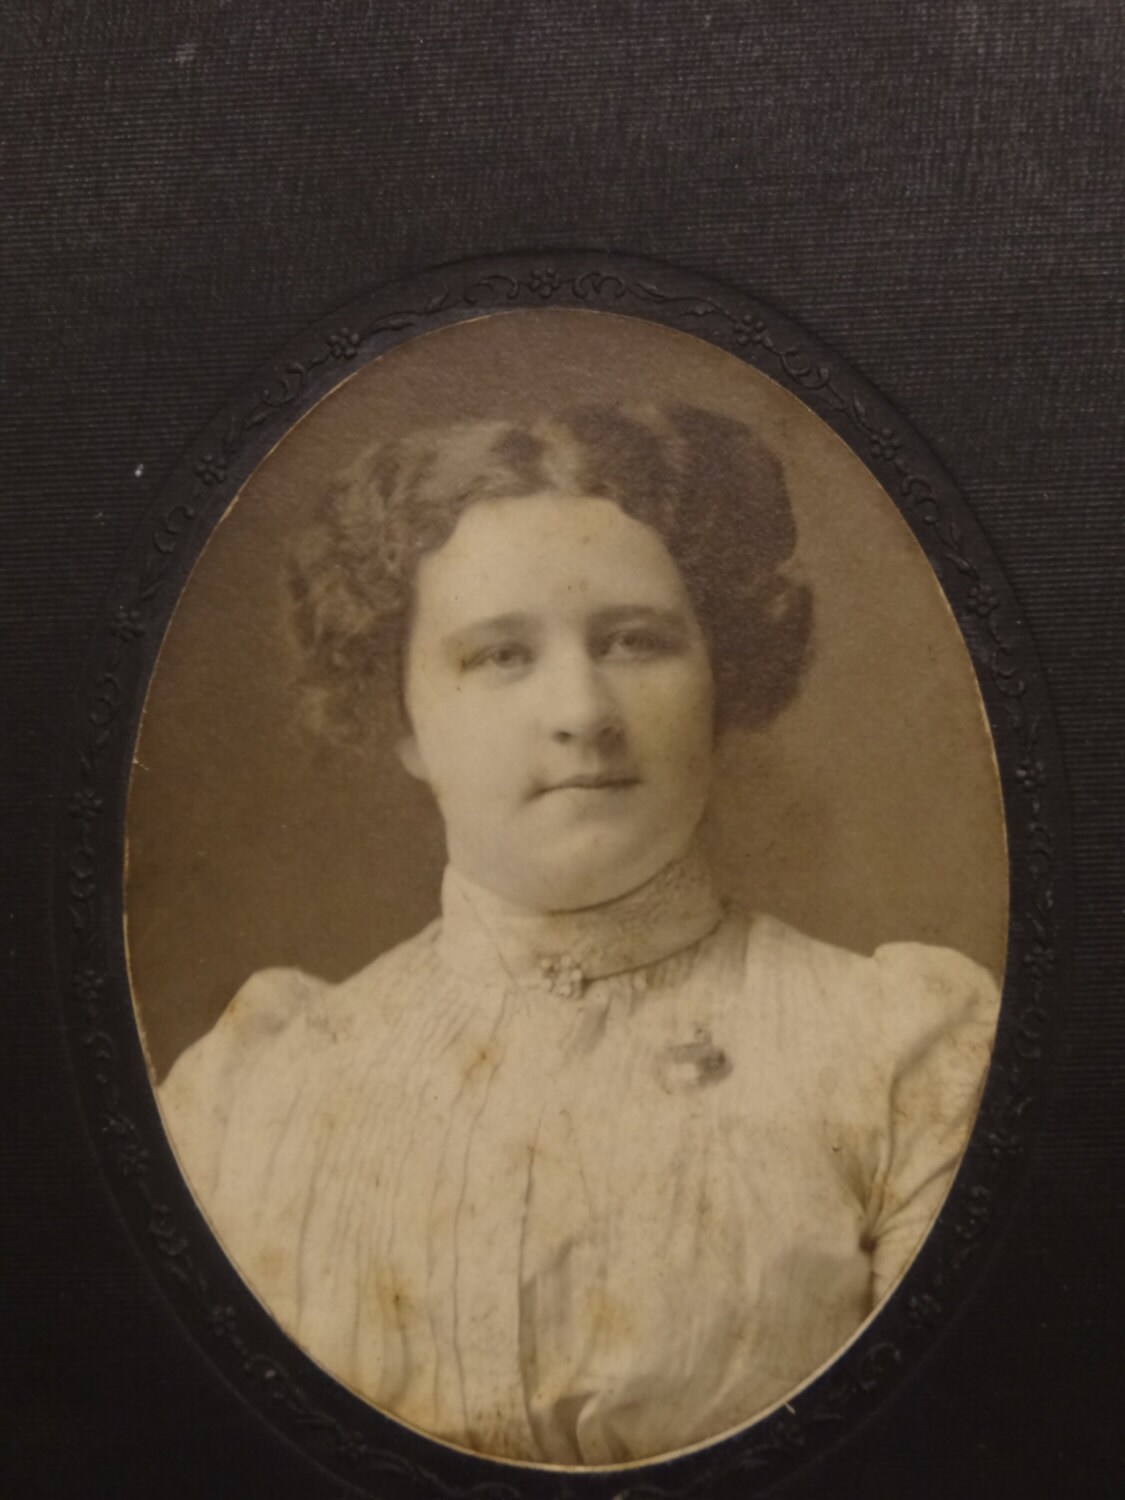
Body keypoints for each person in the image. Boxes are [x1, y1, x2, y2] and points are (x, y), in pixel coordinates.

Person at [159, 404, 999, 1466]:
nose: (582, 709)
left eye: (636, 641)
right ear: (404, 717)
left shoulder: (906, 1058)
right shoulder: (249, 1099)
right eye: (500, 655)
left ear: (720, 671)